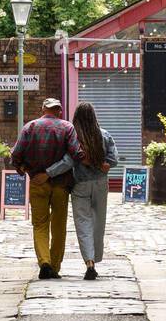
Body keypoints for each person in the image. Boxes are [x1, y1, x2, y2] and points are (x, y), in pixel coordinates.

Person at [41, 101, 118, 281]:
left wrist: (47, 173)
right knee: (99, 222)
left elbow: (67, 162)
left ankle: (89, 262)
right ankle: (95, 260)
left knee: (83, 224)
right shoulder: (104, 134)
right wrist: (102, 164)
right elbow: (113, 159)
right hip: (100, 183)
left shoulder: (74, 137)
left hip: (80, 185)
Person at [10, 98, 83, 280]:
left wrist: (24, 168)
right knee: (59, 227)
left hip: (37, 183)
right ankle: (55, 267)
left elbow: (16, 154)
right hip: (61, 185)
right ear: (59, 110)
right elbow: (76, 154)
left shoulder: (30, 127)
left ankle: (44, 262)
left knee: (40, 225)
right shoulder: (67, 128)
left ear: (43, 109)